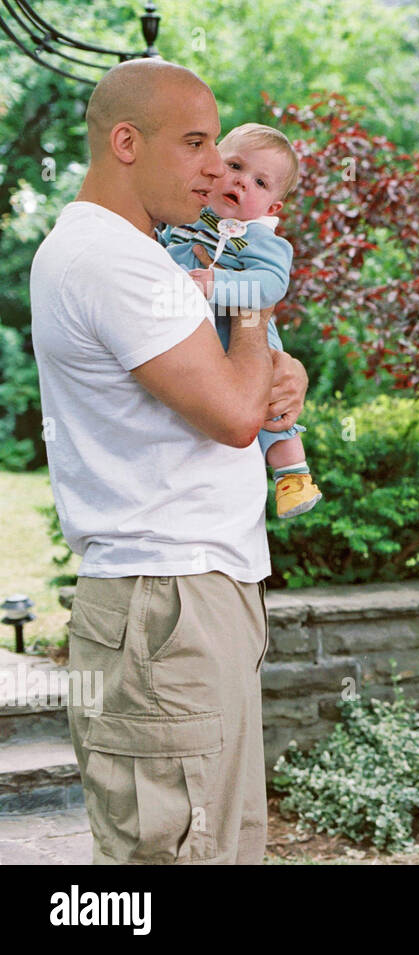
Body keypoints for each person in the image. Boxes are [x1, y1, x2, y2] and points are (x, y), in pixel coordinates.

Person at [29, 59, 308, 864]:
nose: (217, 166)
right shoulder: (109, 259)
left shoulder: (148, 253)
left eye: (219, 143)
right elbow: (229, 414)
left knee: (221, 843)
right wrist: (256, 312)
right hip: (167, 603)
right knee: (180, 854)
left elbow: (243, 388)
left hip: (190, 599)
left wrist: (277, 375)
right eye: (194, 143)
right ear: (126, 141)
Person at [160, 122, 322, 520]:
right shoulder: (184, 220)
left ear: (272, 208)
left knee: (270, 400)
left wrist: (220, 284)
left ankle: (292, 475)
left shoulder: (261, 241)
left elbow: (269, 286)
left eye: (261, 182)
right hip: (199, 341)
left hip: (243, 330)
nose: (243, 182)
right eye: (235, 166)